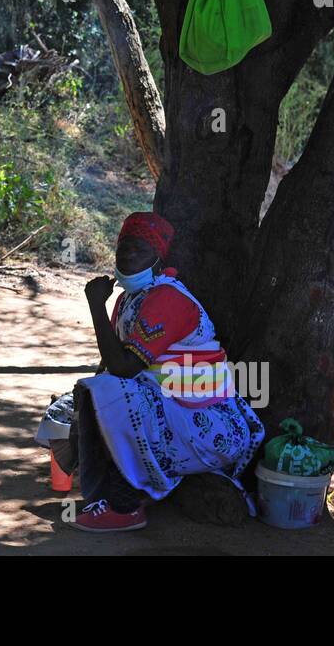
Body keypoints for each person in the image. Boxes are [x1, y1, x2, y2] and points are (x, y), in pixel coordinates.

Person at [63, 211, 264, 532]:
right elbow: (110, 363)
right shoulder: (131, 299)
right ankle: (104, 498)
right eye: (123, 247)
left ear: (158, 257)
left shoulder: (168, 298)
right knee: (93, 393)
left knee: (112, 394)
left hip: (212, 425)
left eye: (140, 248)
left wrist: (95, 306)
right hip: (177, 408)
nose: (128, 254)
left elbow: (124, 369)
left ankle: (126, 507)